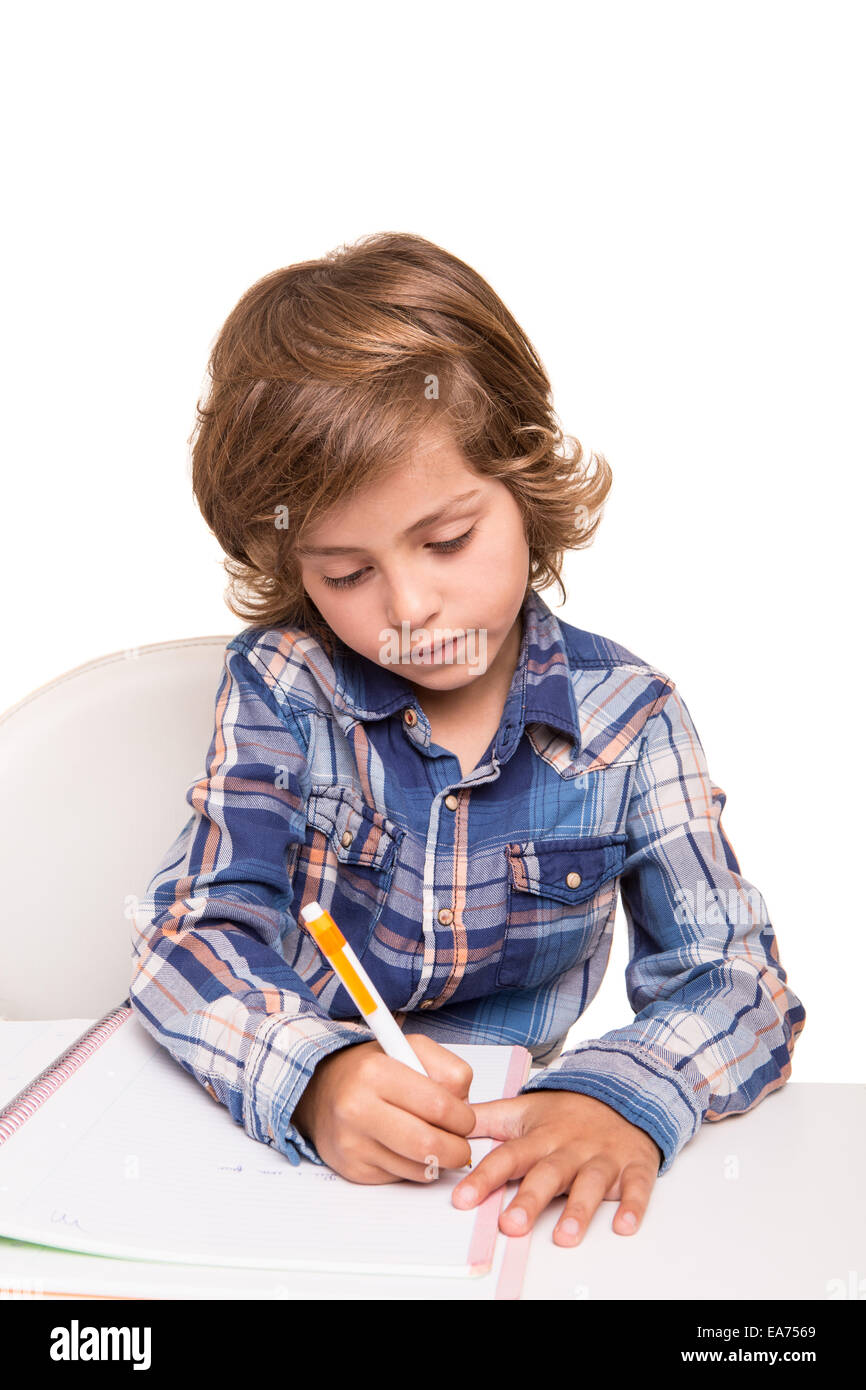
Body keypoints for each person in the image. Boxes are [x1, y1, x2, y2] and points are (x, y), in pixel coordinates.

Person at [129, 231, 805, 1248]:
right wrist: (311, 1075)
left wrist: (618, 1094)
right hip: (280, 1178)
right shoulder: (284, 688)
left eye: (446, 540)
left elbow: (737, 981)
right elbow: (187, 936)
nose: (410, 605)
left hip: (494, 1185)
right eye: (345, 573)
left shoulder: (629, 719)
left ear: (524, 480)